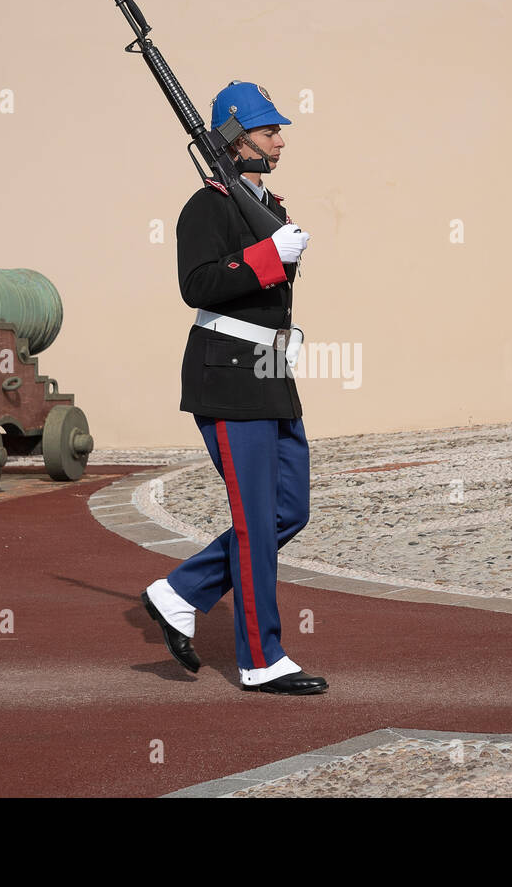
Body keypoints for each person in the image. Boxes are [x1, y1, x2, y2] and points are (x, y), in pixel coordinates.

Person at [140, 80, 327, 695]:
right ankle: (260, 657)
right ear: (235, 138)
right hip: (228, 372)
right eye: (269, 130)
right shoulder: (209, 206)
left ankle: (182, 589)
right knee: (253, 522)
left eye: (278, 131)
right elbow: (196, 284)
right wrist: (267, 257)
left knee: (288, 510)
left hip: (273, 371)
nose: (280, 140)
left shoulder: (267, 203)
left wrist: (275, 242)